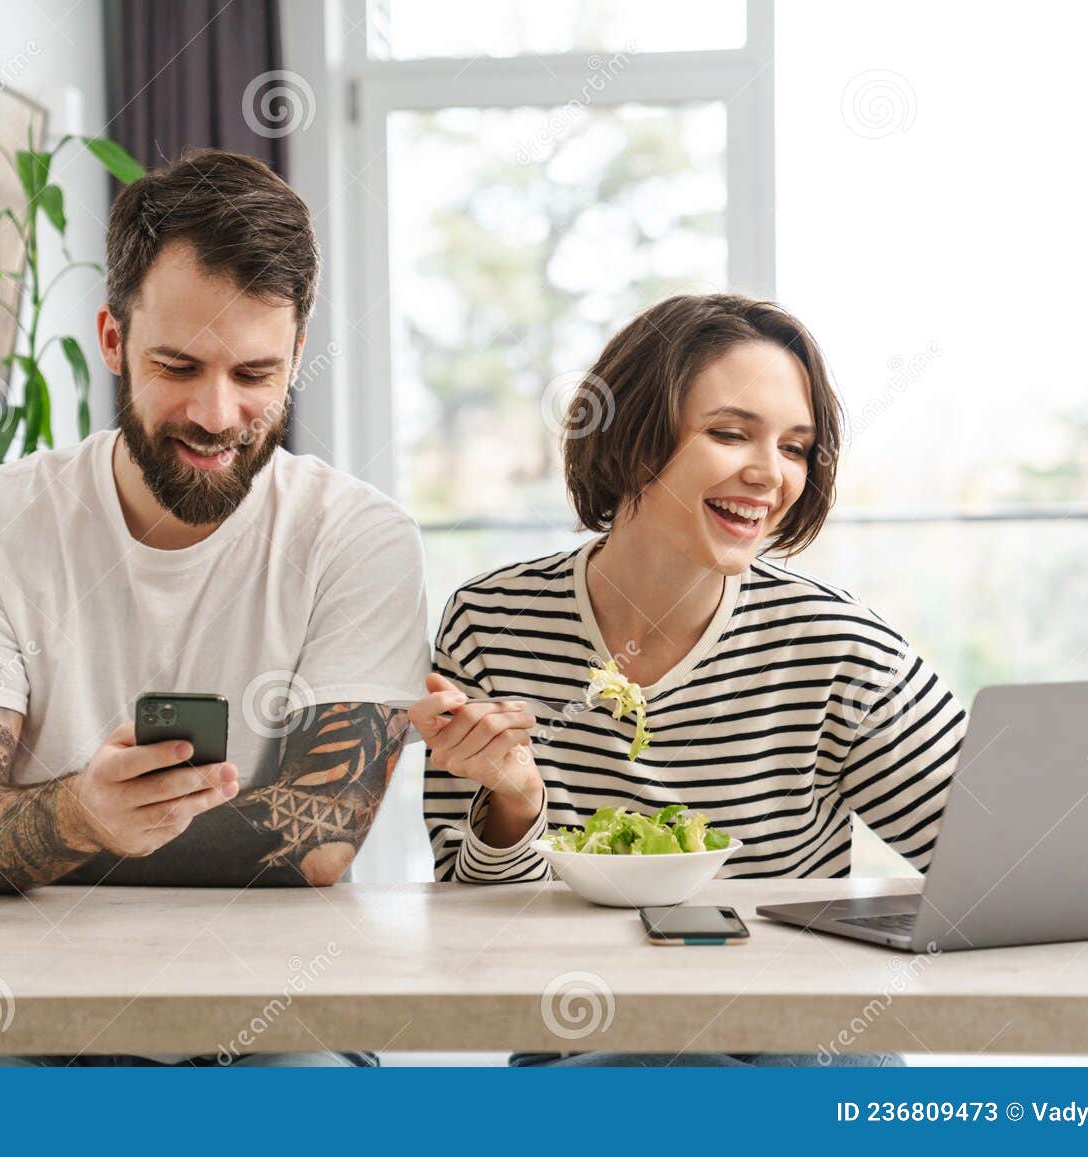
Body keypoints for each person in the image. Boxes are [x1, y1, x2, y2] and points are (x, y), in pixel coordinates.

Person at [0, 148, 429, 1066]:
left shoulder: (361, 537)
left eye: (256, 374)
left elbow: (322, 840)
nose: (217, 413)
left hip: (275, 1021)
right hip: (27, 1016)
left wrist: (61, 827)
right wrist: (86, 812)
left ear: (299, 353)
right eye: (179, 365)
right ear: (112, 340)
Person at [410, 293, 967, 1066]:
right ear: (634, 441)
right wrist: (516, 799)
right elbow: (483, 925)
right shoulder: (492, 623)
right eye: (730, 433)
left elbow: (994, 863)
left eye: (797, 448)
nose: (770, 474)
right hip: (586, 1042)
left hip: (800, 1044)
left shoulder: (836, 645)